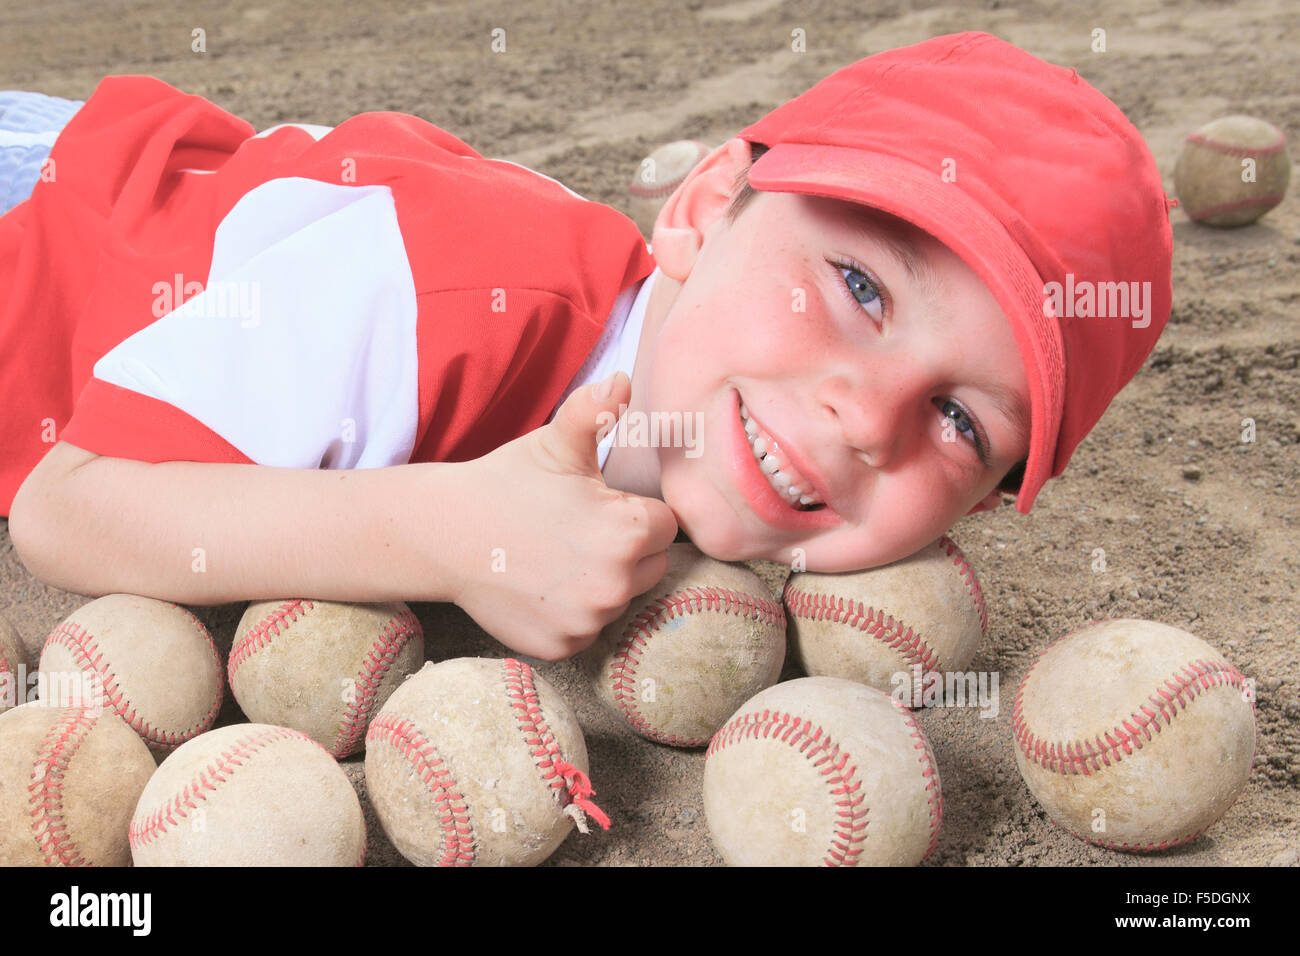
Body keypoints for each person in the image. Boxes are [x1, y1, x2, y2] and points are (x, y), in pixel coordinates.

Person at [2, 32, 1172, 662]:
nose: (868, 418)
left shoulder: (685, 374)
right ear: (703, 210)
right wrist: (452, 533)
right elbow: (68, 508)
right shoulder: (445, 295)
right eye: (858, 286)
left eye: (962, 422)